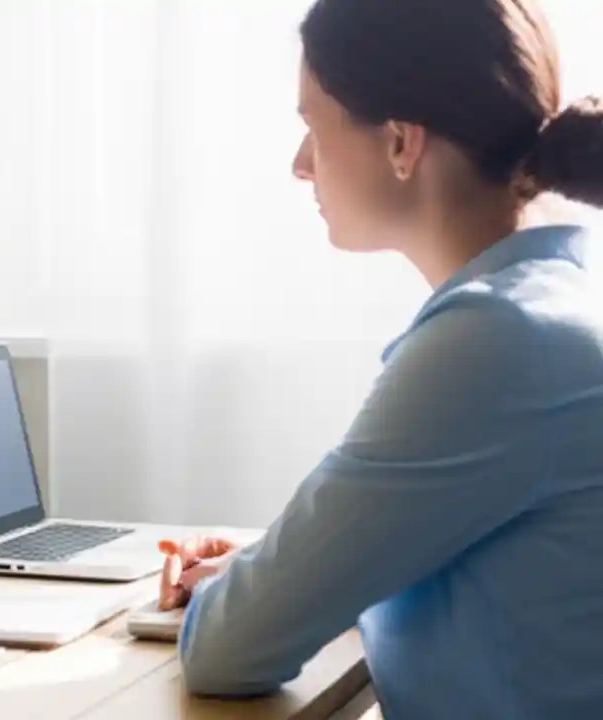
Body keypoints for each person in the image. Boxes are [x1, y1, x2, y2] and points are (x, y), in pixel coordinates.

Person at [156, 1, 603, 717]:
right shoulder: (541, 312)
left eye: (312, 125)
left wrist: (243, 592)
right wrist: (267, 567)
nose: (300, 164)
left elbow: (225, 652)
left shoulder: (498, 342)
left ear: (400, 142)